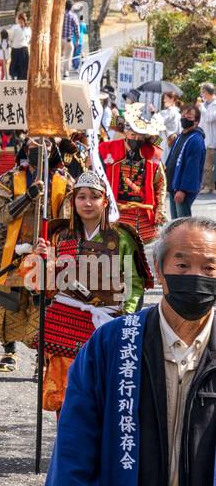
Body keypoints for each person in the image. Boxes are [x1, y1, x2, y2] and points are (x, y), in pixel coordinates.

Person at [36, 216, 216, 486]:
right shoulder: (113, 344)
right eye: (183, 263)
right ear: (158, 271)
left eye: (210, 267)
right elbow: (77, 436)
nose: (195, 276)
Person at [30, 169, 152, 413]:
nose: (87, 203)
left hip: (106, 321)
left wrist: (125, 316)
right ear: (73, 201)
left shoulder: (122, 237)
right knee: (63, 395)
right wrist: (41, 260)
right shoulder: (59, 234)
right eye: (81, 196)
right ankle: (68, 447)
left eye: (94, 197)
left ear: (105, 201)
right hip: (65, 321)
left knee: (102, 392)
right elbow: (43, 287)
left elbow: (134, 282)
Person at [0, 138, 72, 373]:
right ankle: (9, 351)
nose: (41, 150)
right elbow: (2, 216)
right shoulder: (9, 179)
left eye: (47, 145)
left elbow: (68, 220)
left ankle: (41, 356)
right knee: (9, 302)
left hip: (47, 250)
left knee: (44, 304)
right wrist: (28, 196)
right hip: (13, 249)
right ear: (25, 149)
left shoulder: (64, 183)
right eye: (34, 145)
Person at [99, 102, 167, 245]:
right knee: (116, 250)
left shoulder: (152, 153)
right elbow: (110, 122)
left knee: (138, 255)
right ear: (126, 133)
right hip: (115, 210)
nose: (136, 139)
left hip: (141, 214)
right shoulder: (108, 149)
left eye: (140, 136)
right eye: (133, 134)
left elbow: (160, 183)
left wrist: (161, 209)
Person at [165, 103, 207, 219]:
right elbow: (172, 158)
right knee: (175, 222)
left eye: (189, 117)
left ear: (196, 121)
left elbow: (192, 168)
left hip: (183, 189)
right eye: (183, 115)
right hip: (175, 185)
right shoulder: (181, 136)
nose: (185, 118)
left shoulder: (196, 140)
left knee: (183, 223)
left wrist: (183, 190)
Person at [199, 82, 216, 194]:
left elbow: (210, 117)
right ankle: (208, 185)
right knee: (204, 164)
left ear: (208, 92)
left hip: (211, 140)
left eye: (203, 92)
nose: (202, 94)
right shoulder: (204, 104)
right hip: (202, 138)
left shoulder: (214, 104)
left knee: (208, 165)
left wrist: (201, 108)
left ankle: (208, 186)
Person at [8, 11, 31, 81]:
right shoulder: (15, 28)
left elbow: (29, 38)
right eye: (20, 20)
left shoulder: (28, 29)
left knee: (24, 66)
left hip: (24, 49)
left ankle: (23, 79)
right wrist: (10, 45)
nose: (21, 21)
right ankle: (14, 76)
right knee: (15, 64)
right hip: (15, 48)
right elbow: (10, 38)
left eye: (22, 20)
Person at [61, 0, 80, 78]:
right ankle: (65, 73)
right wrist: (77, 39)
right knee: (68, 57)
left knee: (59, 56)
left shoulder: (61, 15)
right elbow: (76, 28)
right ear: (71, 7)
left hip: (59, 39)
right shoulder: (73, 16)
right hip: (68, 39)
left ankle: (57, 71)